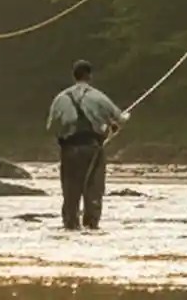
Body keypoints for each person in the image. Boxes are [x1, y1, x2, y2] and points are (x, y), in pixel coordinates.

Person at [46, 59, 129, 230]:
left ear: (73, 75)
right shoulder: (98, 96)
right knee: (94, 190)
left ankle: (71, 225)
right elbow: (120, 118)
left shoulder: (61, 98)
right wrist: (119, 121)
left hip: (69, 149)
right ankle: (91, 227)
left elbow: (51, 126)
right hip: (93, 149)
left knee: (70, 192)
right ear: (89, 75)